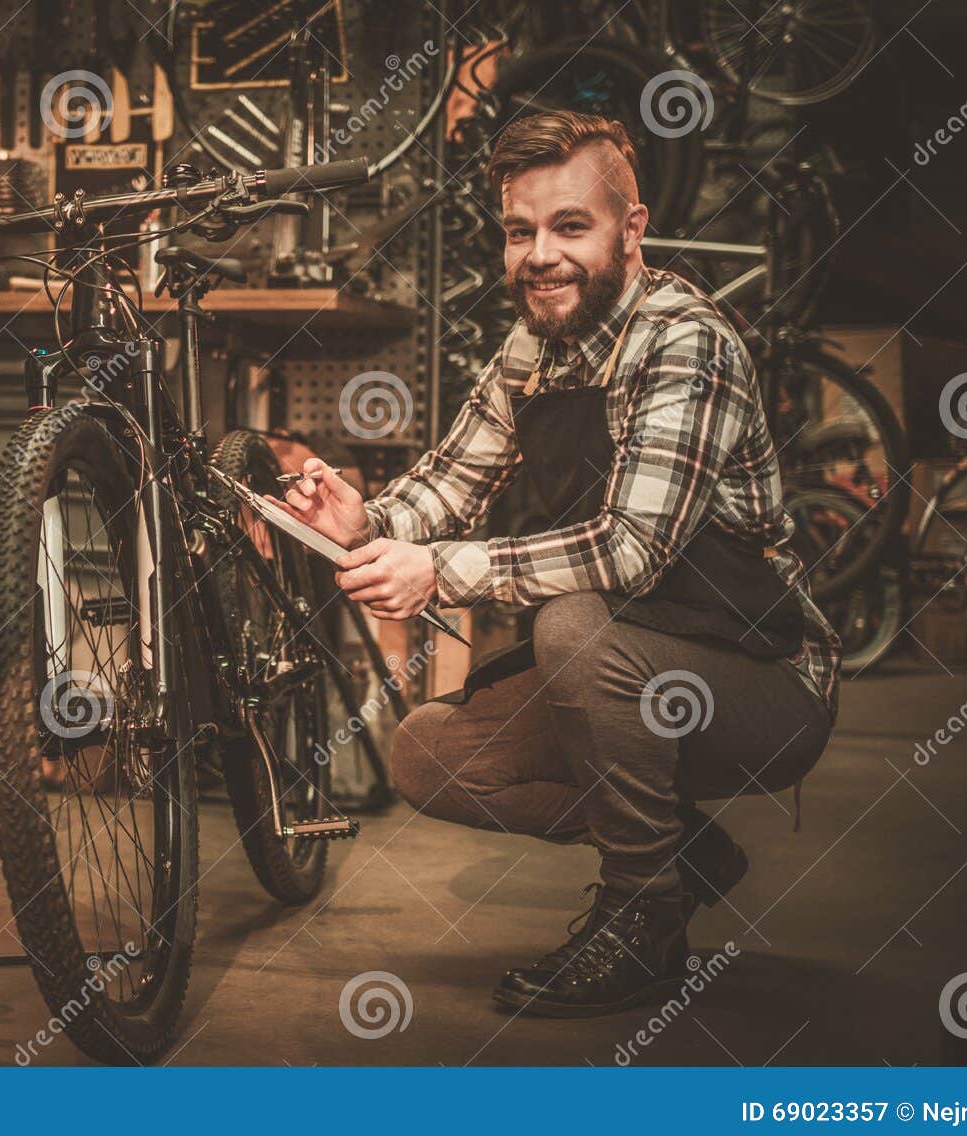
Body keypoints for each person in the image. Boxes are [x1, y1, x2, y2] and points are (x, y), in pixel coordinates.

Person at [275, 110, 840, 1018]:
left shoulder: (687, 344)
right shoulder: (530, 351)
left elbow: (629, 547)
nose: (540, 254)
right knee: (429, 755)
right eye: (519, 231)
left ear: (632, 228)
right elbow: (449, 486)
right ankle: (677, 852)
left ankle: (644, 919)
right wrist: (364, 518)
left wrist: (441, 571)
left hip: (764, 677)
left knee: (573, 625)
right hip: (638, 654)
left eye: (570, 226)